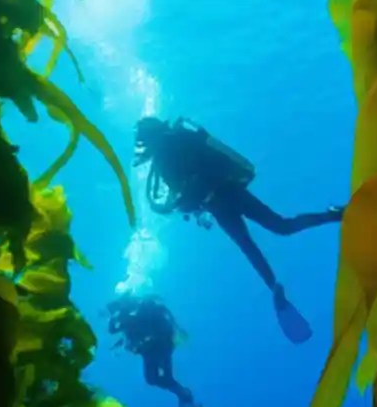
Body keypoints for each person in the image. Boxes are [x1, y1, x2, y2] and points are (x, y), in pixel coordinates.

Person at [134, 115, 345, 344]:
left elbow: (181, 197)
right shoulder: (183, 138)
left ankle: (273, 285)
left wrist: (191, 205)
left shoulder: (165, 157)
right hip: (231, 191)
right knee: (281, 226)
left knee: (249, 246)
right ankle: (333, 214)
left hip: (217, 203)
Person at [107, 292, 207, 407]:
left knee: (165, 377)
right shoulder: (125, 316)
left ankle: (185, 395)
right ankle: (184, 394)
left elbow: (156, 329)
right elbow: (113, 330)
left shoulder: (144, 310)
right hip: (149, 350)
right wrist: (114, 317)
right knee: (152, 380)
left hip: (162, 346)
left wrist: (144, 341)